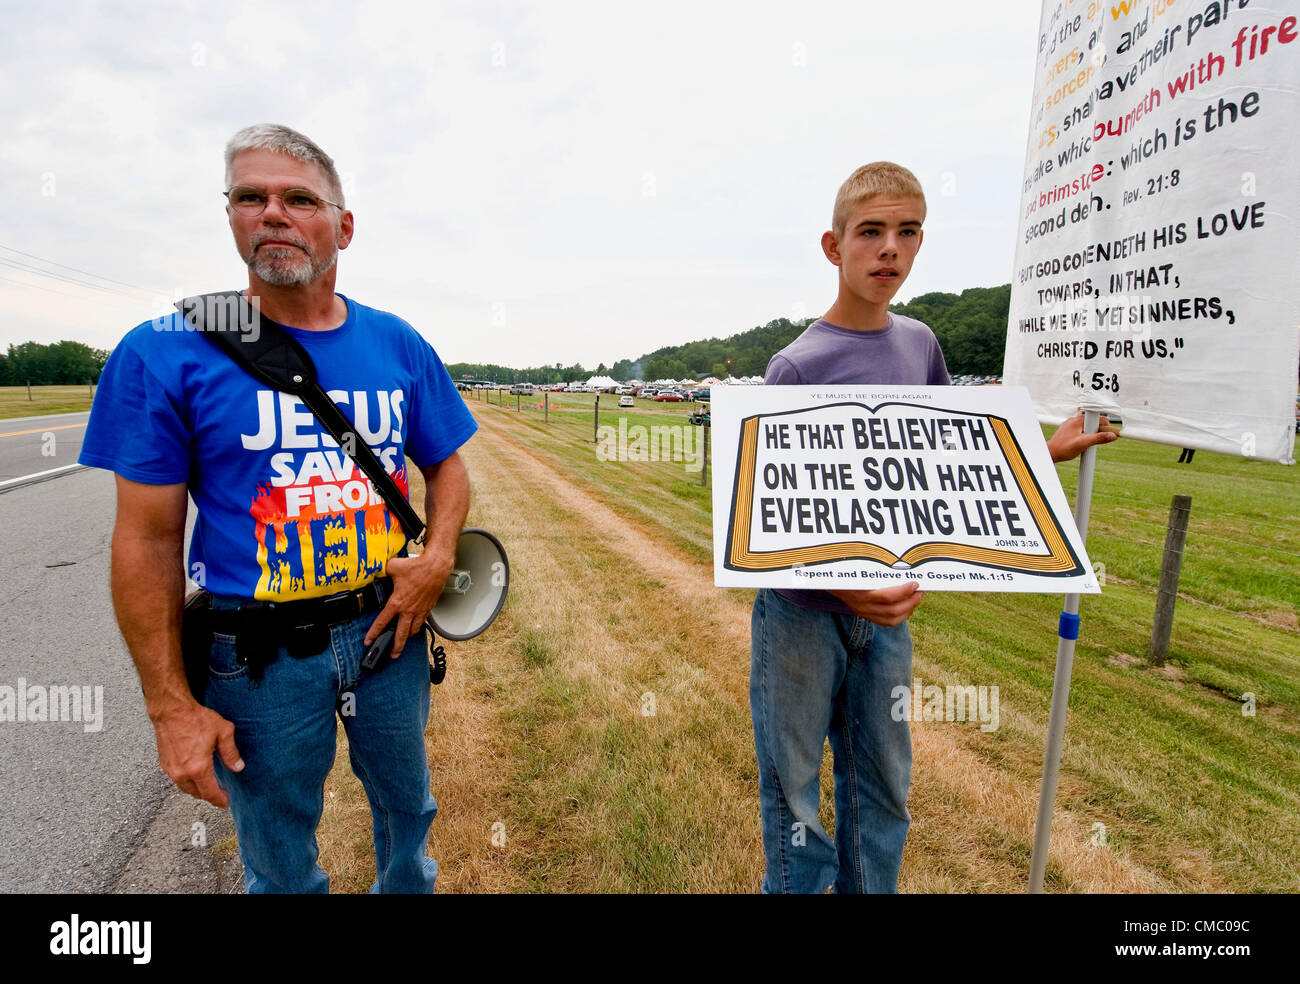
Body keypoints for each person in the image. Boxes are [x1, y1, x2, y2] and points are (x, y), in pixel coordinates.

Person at [79, 124, 476, 893]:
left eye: (298, 198)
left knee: (408, 806)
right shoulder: (165, 350)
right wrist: (171, 710)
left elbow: (447, 468)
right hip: (256, 655)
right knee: (276, 849)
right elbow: (146, 541)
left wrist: (436, 560)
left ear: (343, 226)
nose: (273, 213)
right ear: (229, 216)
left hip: (386, 629)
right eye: (249, 197)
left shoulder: (397, 343)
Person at [750, 161, 1117, 894]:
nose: (889, 247)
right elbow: (767, 529)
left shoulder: (921, 346)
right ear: (834, 246)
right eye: (871, 232)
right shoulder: (796, 367)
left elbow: (951, 470)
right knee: (793, 790)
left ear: (921, 243)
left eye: (907, 232)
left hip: (890, 619)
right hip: (801, 618)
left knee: (884, 785)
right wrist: (843, 589)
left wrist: (1043, 454)